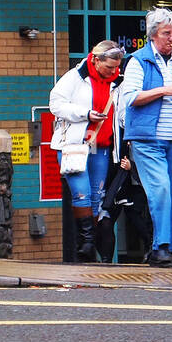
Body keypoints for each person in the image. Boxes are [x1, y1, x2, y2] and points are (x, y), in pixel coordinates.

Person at [121, 8, 172, 268]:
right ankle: (161, 248)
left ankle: (163, 247)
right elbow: (131, 97)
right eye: (167, 33)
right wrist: (164, 90)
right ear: (153, 35)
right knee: (161, 190)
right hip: (147, 138)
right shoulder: (138, 60)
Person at [49, 41, 126, 262]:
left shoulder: (118, 82)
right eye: (109, 67)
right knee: (81, 192)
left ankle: (88, 247)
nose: (114, 71)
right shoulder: (75, 77)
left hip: (102, 147)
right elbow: (56, 104)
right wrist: (86, 113)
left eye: (116, 67)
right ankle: (87, 242)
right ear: (95, 59)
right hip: (75, 145)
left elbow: (121, 113)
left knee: (96, 197)